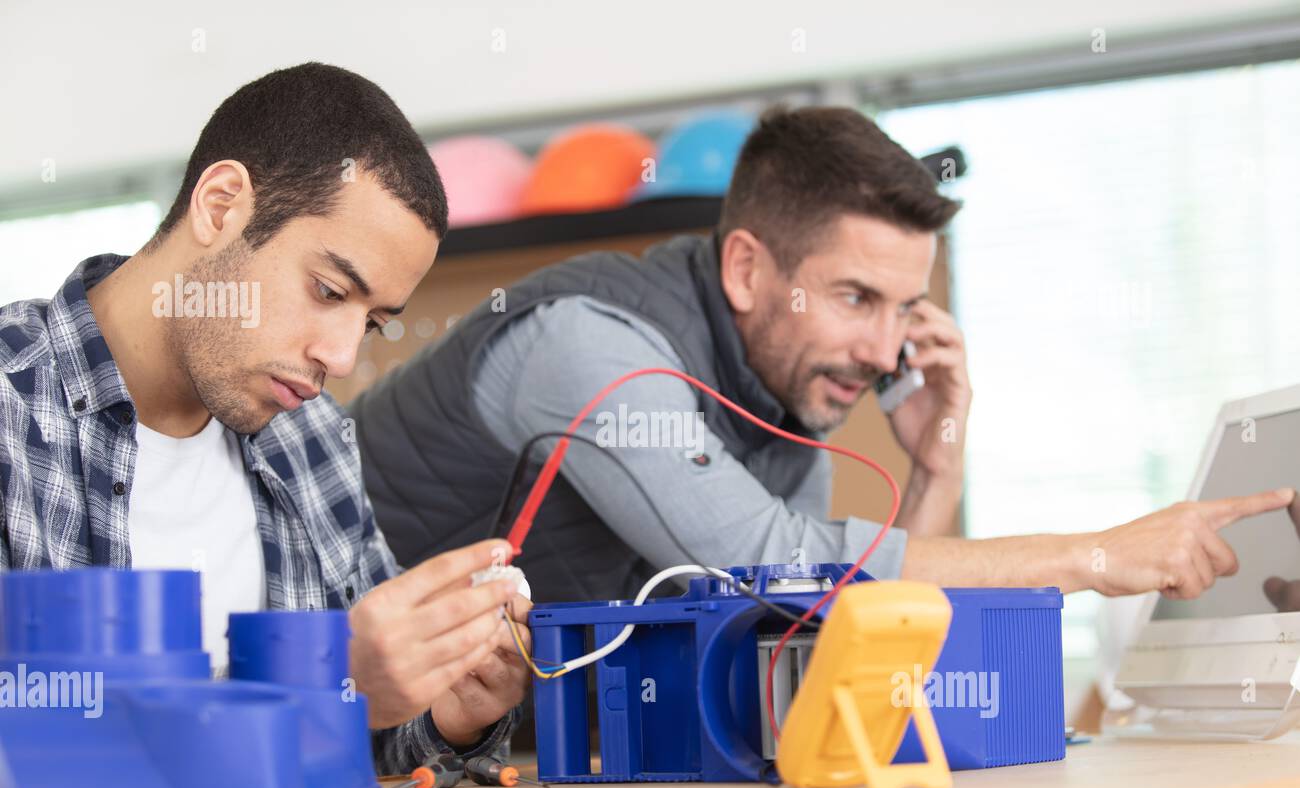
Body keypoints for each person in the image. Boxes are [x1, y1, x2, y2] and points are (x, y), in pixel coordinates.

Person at [351, 105, 1296, 608]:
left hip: (491, 755)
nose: (886, 350)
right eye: (856, 298)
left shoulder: (783, 384)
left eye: (905, 308)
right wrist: (1095, 555)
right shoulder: (591, 349)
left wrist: (934, 471)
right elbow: (769, 569)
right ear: (749, 268)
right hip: (344, 735)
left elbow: (800, 633)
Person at [0, 63, 530, 774]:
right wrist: (323, 687)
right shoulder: (14, 414)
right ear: (220, 208)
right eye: (327, 289)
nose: (340, 357)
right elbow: (30, 755)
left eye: (371, 322)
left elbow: (361, 733)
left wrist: (442, 712)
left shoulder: (312, 439)